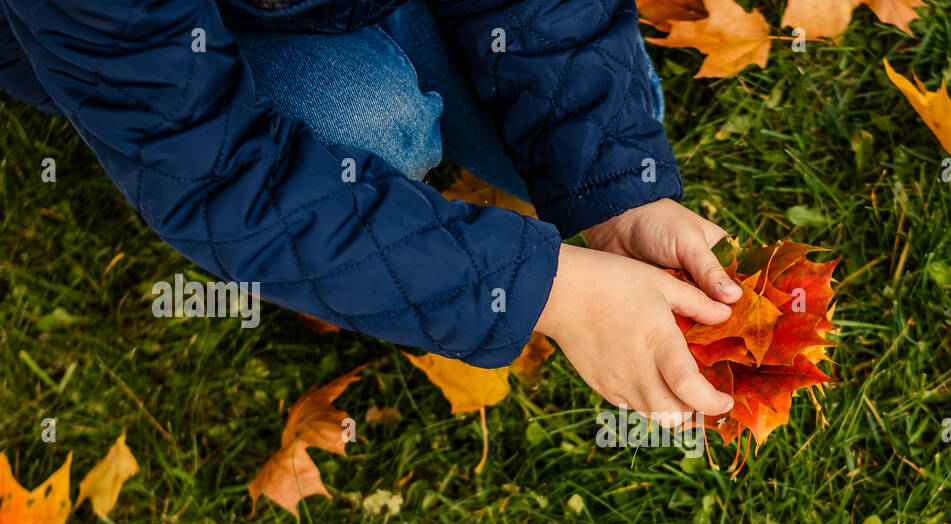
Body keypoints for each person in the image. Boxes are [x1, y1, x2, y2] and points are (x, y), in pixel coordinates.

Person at [0, 0, 737, 423]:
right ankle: (365, 228)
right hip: (154, 48)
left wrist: (617, 188)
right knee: (369, 125)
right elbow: (213, 173)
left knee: (576, 160)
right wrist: (548, 290)